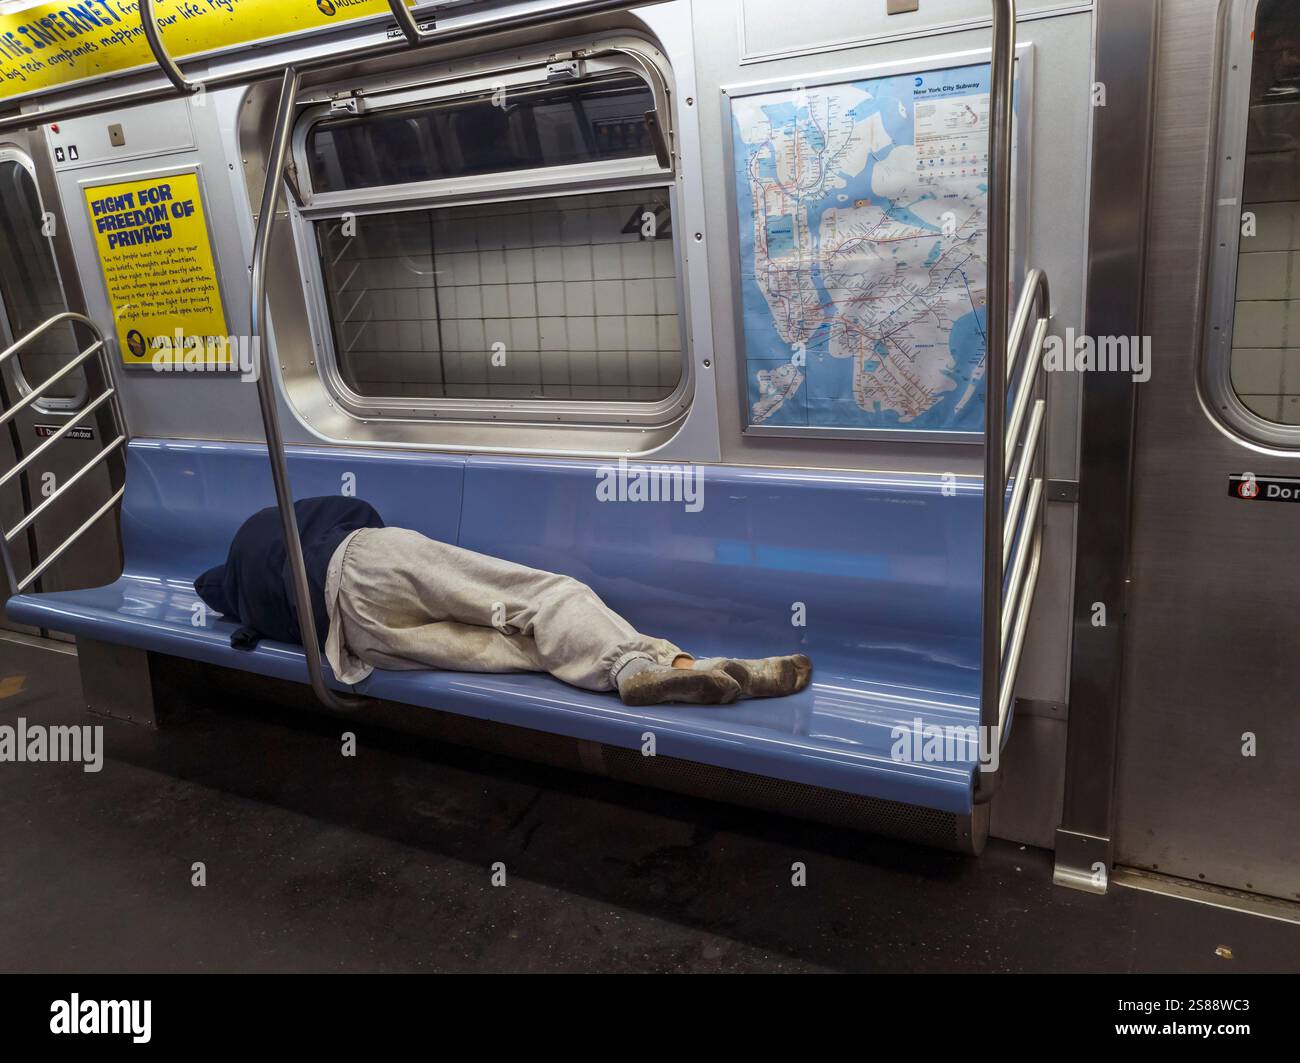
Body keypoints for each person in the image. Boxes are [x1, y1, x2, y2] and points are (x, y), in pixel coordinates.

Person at [195, 497, 812, 707]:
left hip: (352, 641)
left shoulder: (252, 608)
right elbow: (358, 518)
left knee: (516, 648)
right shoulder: (262, 525)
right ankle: (659, 665)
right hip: (363, 561)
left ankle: (647, 666)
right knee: (543, 599)